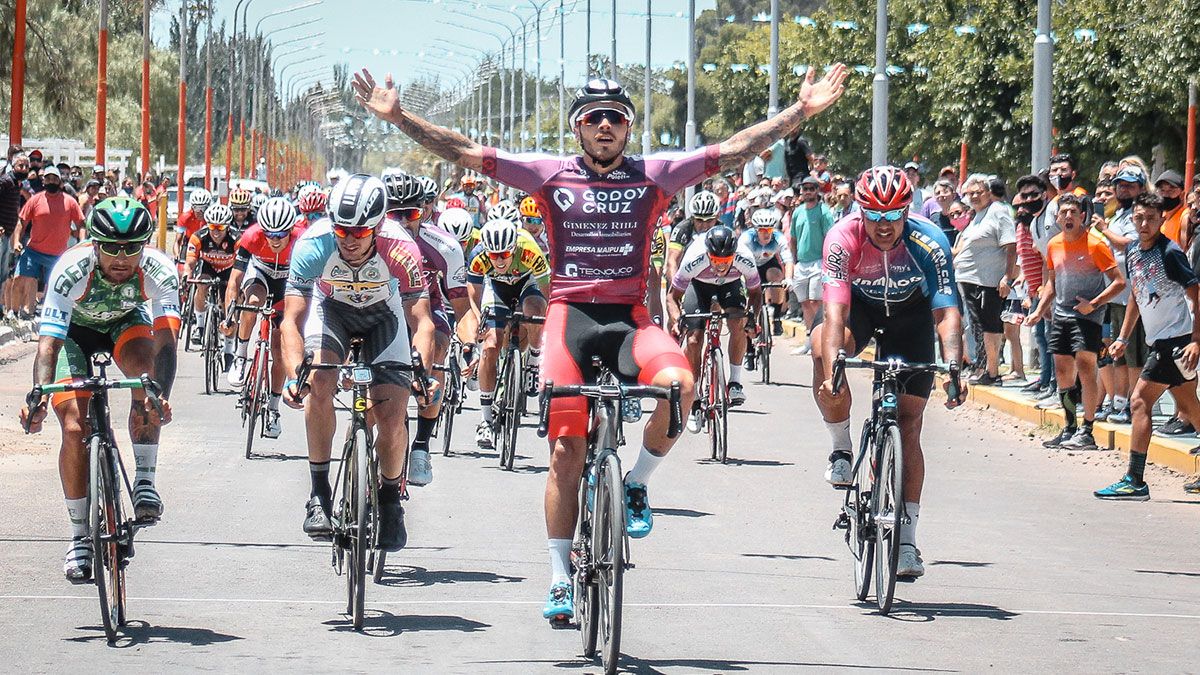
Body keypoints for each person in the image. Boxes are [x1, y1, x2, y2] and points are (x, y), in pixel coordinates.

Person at [351, 63, 847, 622]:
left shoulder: (655, 174)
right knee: (566, 449)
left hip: (629, 319)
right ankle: (561, 575)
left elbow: (732, 151)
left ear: (629, 128)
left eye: (616, 118)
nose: (605, 126)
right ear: (578, 129)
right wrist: (398, 118)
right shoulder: (548, 175)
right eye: (594, 119)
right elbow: (465, 151)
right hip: (568, 316)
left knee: (681, 385)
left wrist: (801, 112)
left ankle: (635, 482)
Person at [812, 166, 965, 579]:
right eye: (874, 216)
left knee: (909, 425)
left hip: (910, 318)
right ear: (860, 210)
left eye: (892, 215)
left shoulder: (929, 241)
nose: (883, 225)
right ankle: (841, 448)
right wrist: (833, 371)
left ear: (907, 210)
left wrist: (953, 365)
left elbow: (947, 312)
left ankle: (908, 542)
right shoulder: (842, 239)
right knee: (821, 348)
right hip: (860, 311)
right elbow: (834, 311)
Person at [19, 197, 179, 582]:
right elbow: (49, 344)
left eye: (132, 248)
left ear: (145, 246)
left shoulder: (160, 270)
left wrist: (160, 395)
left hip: (127, 324)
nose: (122, 258)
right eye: (111, 247)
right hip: (74, 333)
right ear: (94, 244)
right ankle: (78, 537)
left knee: (145, 374)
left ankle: (144, 480)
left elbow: (167, 341)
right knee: (74, 426)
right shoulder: (71, 269)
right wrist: (38, 394)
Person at [281, 174, 438, 552]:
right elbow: (291, 319)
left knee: (392, 410)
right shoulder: (313, 244)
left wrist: (423, 374)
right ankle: (319, 494)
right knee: (318, 383)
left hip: (383, 317)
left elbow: (422, 320)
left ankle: (388, 502)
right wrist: (293, 375)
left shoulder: (400, 248)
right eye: (342, 230)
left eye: (360, 232)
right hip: (331, 312)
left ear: (379, 225)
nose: (349, 240)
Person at [1097, 194, 1200, 499]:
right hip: (1161, 339)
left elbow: (1196, 293)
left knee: (1139, 400)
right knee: (1189, 405)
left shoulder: (1169, 252)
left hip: (1176, 341)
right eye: (1139, 218)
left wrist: (1196, 340)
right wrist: (1123, 338)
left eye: (1150, 219)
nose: (1143, 224)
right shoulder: (1132, 252)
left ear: (1160, 220)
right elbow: (1136, 296)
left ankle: (1135, 479)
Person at [381, 171, 476, 486]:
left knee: (436, 342)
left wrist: (470, 344)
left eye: (412, 213)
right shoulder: (365, 239)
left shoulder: (443, 246)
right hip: (378, 310)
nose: (404, 221)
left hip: (425, 309)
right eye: (394, 214)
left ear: (425, 211)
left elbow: (462, 308)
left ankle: (421, 445)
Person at [1027, 194, 1126, 450]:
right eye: (1064, 213)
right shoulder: (1053, 245)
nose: (1068, 217)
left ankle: (1088, 430)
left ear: (1082, 216)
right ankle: (1070, 426)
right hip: (1061, 314)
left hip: (1087, 316)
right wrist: (1040, 310)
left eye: (1073, 212)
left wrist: (1093, 303)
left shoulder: (1095, 244)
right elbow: (1052, 281)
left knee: (1085, 365)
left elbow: (1118, 282)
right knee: (1062, 370)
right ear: (1057, 217)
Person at [222, 197, 306, 438]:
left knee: (279, 350)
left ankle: (273, 408)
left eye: (281, 234)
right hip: (260, 274)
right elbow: (234, 282)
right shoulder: (251, 236)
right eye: (270, 233)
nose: (275, 239)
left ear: (291, 229)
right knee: (253, 303)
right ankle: (240, 356)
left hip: (287, 280)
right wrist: (229, 317)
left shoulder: (302, 238)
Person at [466, 217, 550, 449]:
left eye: (505, 254)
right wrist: (479, 320)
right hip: (496, 288)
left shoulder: (530, 250)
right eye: (494, 255)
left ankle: (533, 358)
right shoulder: (478, 256)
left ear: (514, 247)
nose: (500, 259)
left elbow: (547, 293)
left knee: (535, 311)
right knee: (491, 346)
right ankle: (485, 419)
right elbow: (473, 296)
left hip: (527, 284)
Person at [669, 225, 763, 421]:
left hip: (731, 285)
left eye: (726, 261)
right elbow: (672, 295)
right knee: (694, 340)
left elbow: (755, 293)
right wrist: (677, 319)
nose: (720, 266)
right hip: (699, 286)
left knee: (738, 322)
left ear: (734, 255)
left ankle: (735, 383)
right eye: (716, 261)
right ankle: (694, 394)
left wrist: (752, 318)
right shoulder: (694, 257)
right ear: (708, 254)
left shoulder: (744, 257)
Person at [954, 174, 1017, 385]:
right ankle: (982, 367)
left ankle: (992, 372)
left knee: (989, 326)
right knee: (976, 326)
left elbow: (1011, 247)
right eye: (969, 194)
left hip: (989, 281)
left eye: (978, 192)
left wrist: (1007, 277)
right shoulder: (977, 215)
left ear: (989, 192)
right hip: (969, 278)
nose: (973, 197)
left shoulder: (999, 212)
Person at [12, 165, 85, 318]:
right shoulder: (35, 200)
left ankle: (53, 314)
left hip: (58, 254)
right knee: (22, 278)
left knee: (56, 286)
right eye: (48, 178)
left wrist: (82, 242)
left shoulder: (70, 202)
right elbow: (22, 222)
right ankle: (18, 313)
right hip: (34, 251)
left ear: (60, 182)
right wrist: (17, 241)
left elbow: (81, 224)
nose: (51, 181)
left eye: (54, 179)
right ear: (44, 181)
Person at [183, 203, 239, 367]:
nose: (215, 231)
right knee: (201, 284)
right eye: (212, 226)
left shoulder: (237, 239)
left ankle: (229, 350)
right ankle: (199, 326)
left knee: (229, 305)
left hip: (230, 270)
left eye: (220, 227)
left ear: (227, 227)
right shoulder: (198, 237)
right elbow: (190, 262)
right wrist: (187, 274)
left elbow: (242, 267)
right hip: (209, 268)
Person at [789, 175, 835, 354]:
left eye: (811, 188)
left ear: (817, 191)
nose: (808, 192)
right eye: (805, 189)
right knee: (805, 302)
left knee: (817, 301)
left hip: (819, 262)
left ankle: (821, 339)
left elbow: (830, 237)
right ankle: (810, 340)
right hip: (801, 263)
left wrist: (828, 263)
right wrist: (793, 262)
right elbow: (793, 238)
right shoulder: (798, 212)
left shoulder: (824, 212)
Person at [740, 209, 793, 336]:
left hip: (768, 264)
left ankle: (776, 316)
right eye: (762, 230)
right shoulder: (746, 239)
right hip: (750, 267)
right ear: (756, 230)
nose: (766, 234)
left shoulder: (778, 238)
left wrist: (788, 278)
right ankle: (750, 345)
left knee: (777, 277)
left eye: (769, 230)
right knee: (746, 305)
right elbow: (738, 263)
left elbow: (788, 260)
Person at [665, 191, 721, 283]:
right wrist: (676, 288)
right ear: (692, 217)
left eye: (709, 220)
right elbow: (672, 261)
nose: (704, 226)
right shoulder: (683, 229)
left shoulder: (721, 229)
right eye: (699, 220)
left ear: (718, 216)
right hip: (686, 277)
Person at [175, 189, 212, 261]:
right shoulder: (185, 217)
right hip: (190, 242)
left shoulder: (212, 217)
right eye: (197, 208)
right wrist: (177, 255)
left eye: (203, 208)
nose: (200, 212)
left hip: (207, 242)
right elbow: (177, 241)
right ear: (192, 207)